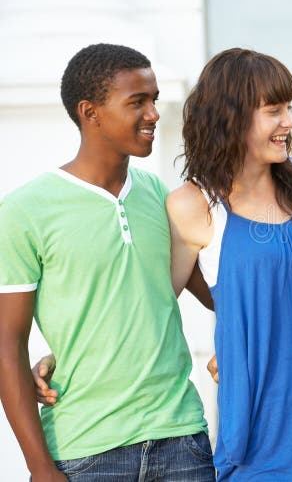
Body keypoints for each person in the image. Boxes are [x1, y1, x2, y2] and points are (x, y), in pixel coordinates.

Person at [0, 43, 213, 481]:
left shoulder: (161, 196)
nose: (154, 113)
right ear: (89, 111)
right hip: (85, 453)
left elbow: (217, 294)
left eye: (154, 99)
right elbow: (7, 342)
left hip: (182, 442)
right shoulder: (25, 210)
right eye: (137, 102)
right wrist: (40, 468)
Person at [166, 48, 292, 481]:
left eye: (289, 108)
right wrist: (61, 359)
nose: (289, 122)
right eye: (274, 110)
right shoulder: (194, 205)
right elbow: (154, 306)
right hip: (260, 433)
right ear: (232, 117)